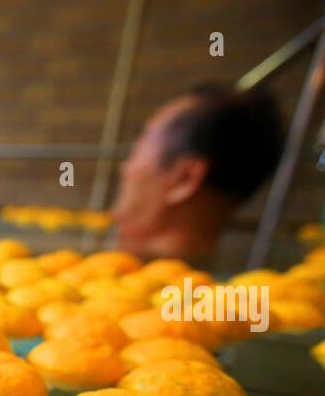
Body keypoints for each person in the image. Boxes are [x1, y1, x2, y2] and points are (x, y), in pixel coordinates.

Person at [113, 83, 283, 262]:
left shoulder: (110, 282)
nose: (124, 168)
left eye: (136, 151)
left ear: (184, 179)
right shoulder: (238, 285)